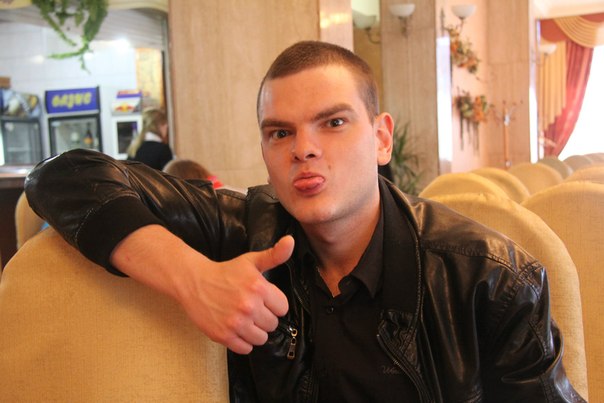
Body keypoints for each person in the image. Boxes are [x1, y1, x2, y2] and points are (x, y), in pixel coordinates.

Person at [25, 41, 583, 402]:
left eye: (333, 123)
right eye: (280, 132)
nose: (304, 149)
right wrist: (193, 278)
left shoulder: (491, 279)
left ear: (381, 138)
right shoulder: (245, 231)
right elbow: (61, 176)